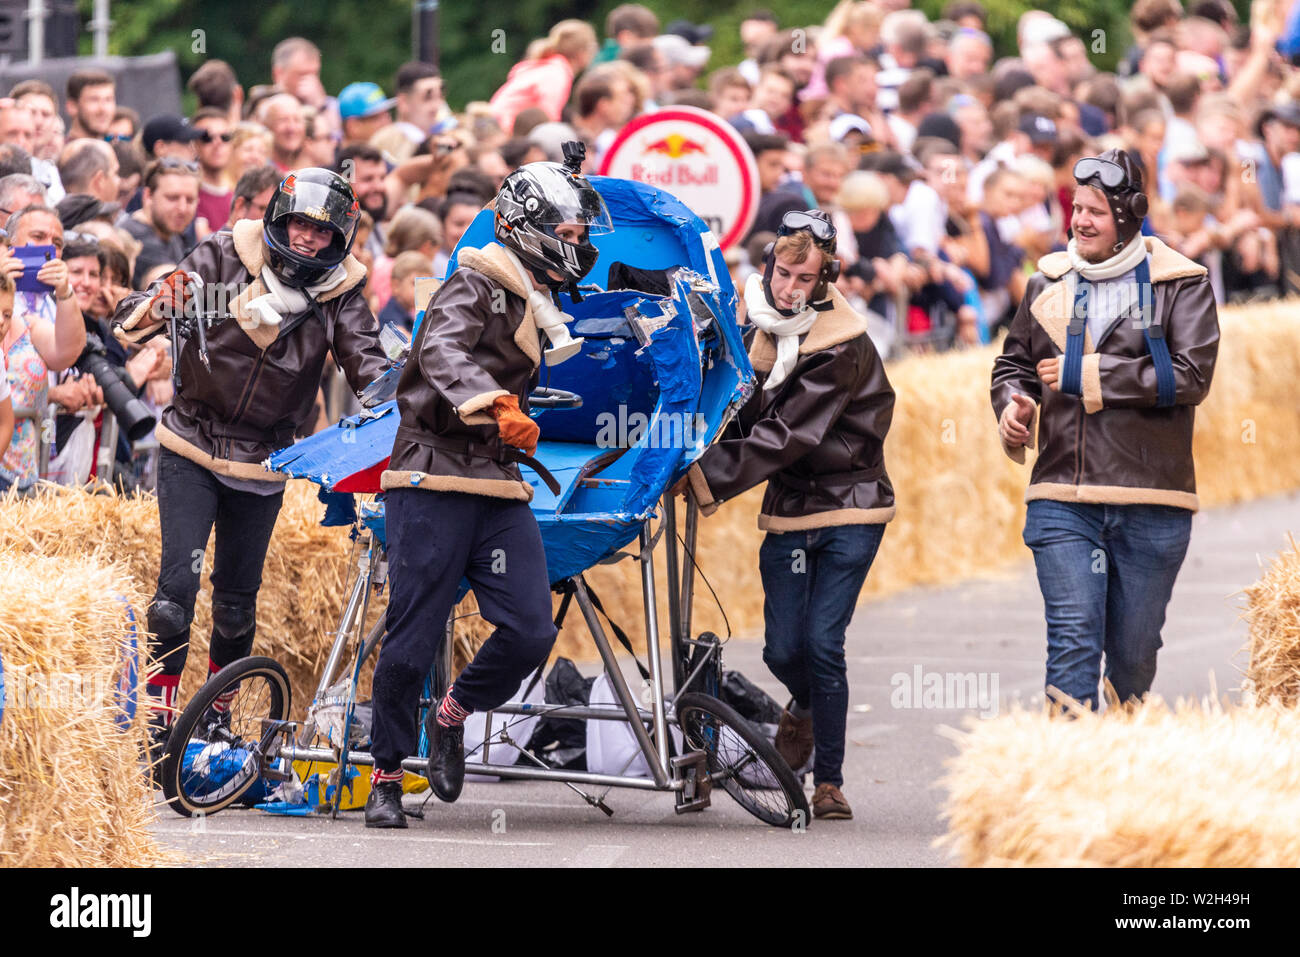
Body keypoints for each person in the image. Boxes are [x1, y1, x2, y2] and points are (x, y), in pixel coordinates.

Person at [111, 168, 390, 777]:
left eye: (322, 232)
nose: (309, 241)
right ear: (278, 220)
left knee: (237, 608)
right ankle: (157, 723)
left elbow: (368, 362)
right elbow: (130, 321)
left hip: (264, 461)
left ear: (340, 236)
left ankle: (211, 721)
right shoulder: (221, 252)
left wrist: (406, 394)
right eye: (299, 225)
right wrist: (161, 303)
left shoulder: (340, 290)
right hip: (190, 444)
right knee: (173, 600)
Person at [364, 144, 611, 828]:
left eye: (580, 235)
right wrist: (495, 402)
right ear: (528, 228)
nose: (578, 246)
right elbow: (440, 349)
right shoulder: (473, 282)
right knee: (412, 638)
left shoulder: (533, 289)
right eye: (569, 233)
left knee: (531, 628)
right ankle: (385, 776)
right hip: (431, 474)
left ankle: (451, 714)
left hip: (495, 482)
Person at [678, 209, 896, 821]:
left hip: (852, 503)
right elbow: (737, 414)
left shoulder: (842, 343)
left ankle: (829, 780)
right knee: (781, 650)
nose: (788, 287)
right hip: (789, 507)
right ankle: (802, 704)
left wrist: (702, 477)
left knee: (824, 644)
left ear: (826, 277)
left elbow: (787, 436)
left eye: (804, 278)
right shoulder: (754, 325)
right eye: (782, 272)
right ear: (769, 262)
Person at [991, 149, 1219, 710]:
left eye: (1095, 210)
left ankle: (1116, 771)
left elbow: (1190, 376)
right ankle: (1068, 783)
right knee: (1072, 642)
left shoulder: (1182, 284)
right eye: (1076, 206)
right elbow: (1014, 364)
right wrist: (1012, 403)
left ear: (1130, 215)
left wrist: (1090, 375)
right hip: (1061, 497)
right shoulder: (1047, 280)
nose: (1080, 220)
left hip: (1153, 498)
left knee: (1133, 659)